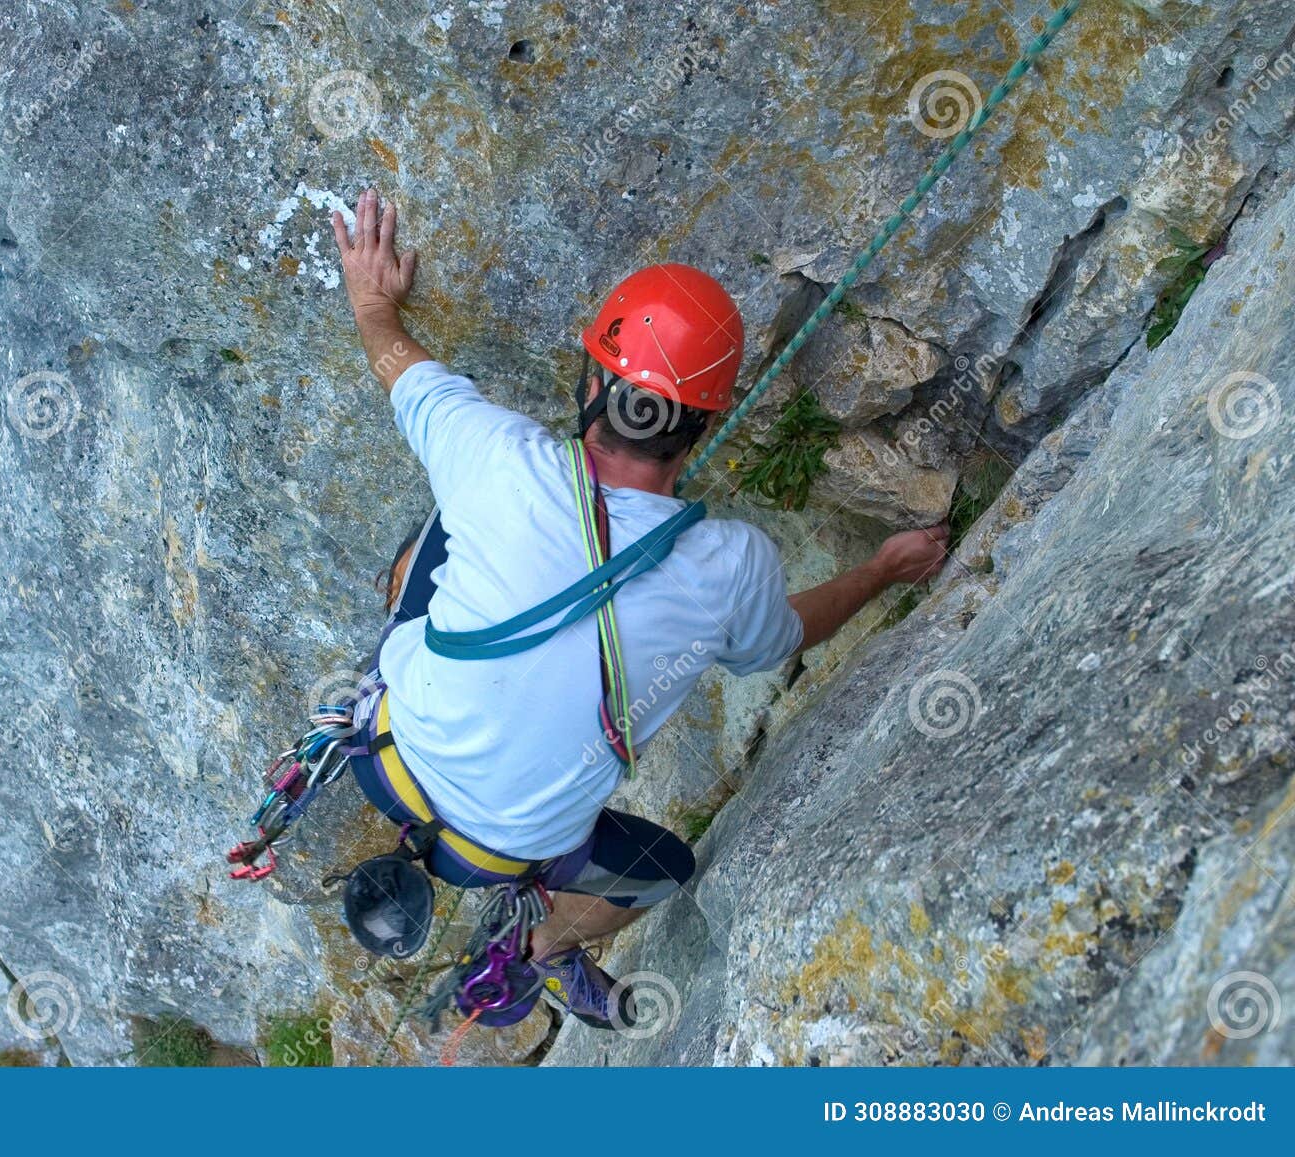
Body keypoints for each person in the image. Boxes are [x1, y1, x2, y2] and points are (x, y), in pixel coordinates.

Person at [330, 188, 949, 1029]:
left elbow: (396, 358)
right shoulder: (729, 566)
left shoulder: (494, 456)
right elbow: (784, 639)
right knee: (665, 864)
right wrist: (880, 568)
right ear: (708, 419)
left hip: (382, 754)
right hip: (499, 859)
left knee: (452, 515)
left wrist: (372, 297)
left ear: (592, 380)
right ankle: (537, 948)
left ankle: (403, 612)